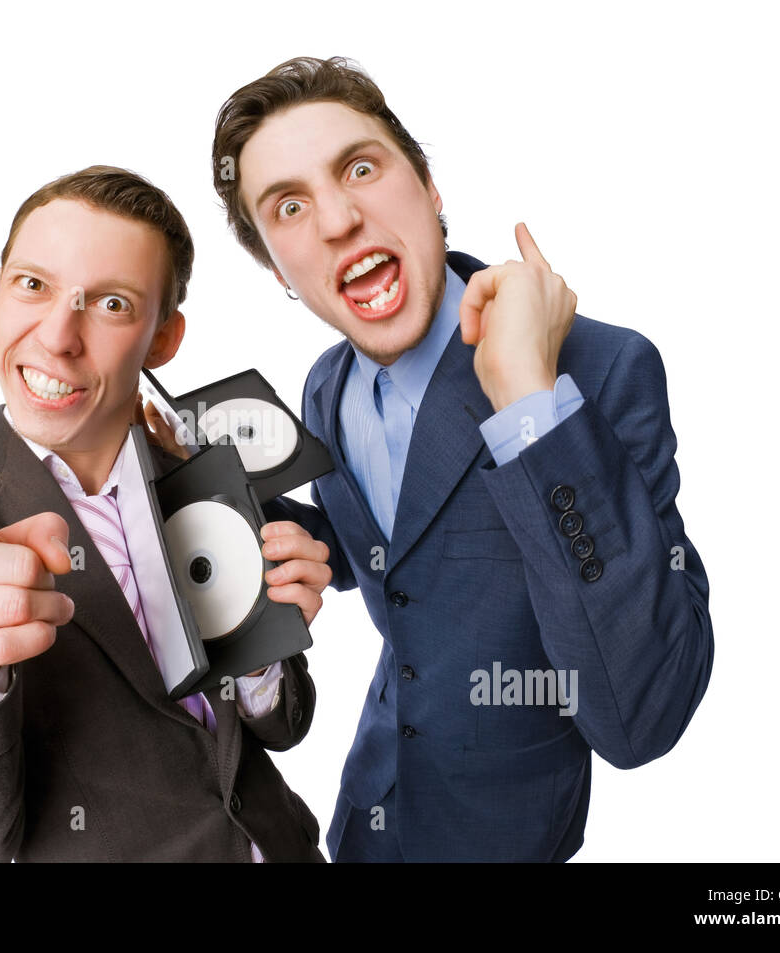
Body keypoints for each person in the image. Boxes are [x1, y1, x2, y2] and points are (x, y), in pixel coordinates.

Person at [209, 57, 715, 861]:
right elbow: (398, 543)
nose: (337, 219)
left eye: (361, 167)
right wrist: (298, 538)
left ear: (430, 187)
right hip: (369, 811)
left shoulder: (604, 371)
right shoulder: (325, 387)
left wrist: (528, 405)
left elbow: (642, 714)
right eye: (291, 205)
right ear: (277, 269)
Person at [0, 166, 331, 862]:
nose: (57, 336)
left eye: (111, 303)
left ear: (164, 339)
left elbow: (285, 725)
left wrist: (264, 643)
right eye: (33, 285)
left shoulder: (201, 472)